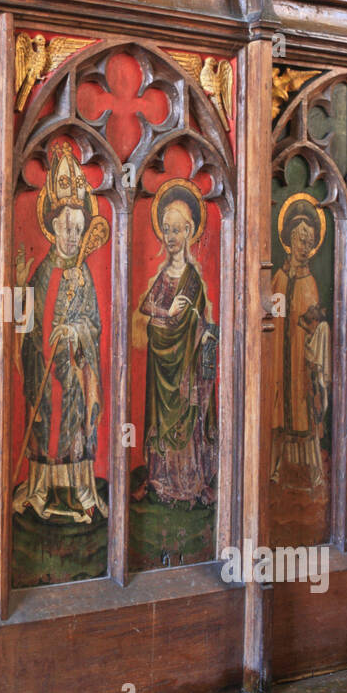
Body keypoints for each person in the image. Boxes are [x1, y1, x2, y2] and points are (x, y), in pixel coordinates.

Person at [14, 139, 108, 523]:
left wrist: (74, 332)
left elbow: (95, 325)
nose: (71, 235)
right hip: (44, 366)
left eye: (77, 228)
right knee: (40, 424)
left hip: (74, 372)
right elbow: (27, 323)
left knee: (75, 430)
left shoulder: (83, 275)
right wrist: (20, 288)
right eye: (66, 227)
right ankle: (39, 491)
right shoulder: (42, 272)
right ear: (53, 227)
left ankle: (81, 490)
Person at [135, 181, 218, 506]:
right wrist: (166, 313)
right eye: (166, 230)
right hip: (161, 361)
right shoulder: (164, 273)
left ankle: (187, 482)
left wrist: (184, 325)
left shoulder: (192, 278)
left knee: (185, 416)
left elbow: (196, 320)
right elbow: (147, 307)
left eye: (177, 231)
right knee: (162, 420)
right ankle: (161, 478)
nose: (171, 237)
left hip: (185, 362)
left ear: (189, 233)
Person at [270, 198, 329, 488]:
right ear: (289, 241)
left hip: (300, 363)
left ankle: (315, 469)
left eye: (309, 241)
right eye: (300, 240)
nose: (304, 247)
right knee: (278, 414)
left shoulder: (311, 283)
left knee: (306, 413)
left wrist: (313, 329)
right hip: (280, 361)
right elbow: (270, 317)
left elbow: (314, 327)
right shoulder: (279, 278)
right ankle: (275, 467)